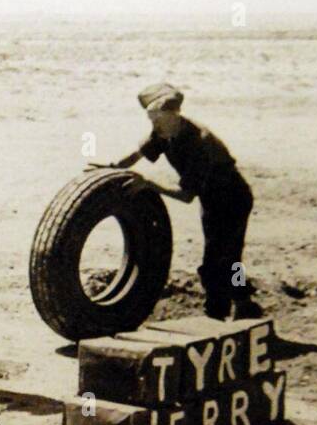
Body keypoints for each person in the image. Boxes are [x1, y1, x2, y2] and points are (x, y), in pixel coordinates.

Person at [101, 83, 264, 320]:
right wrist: (112, 169)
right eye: (151, 120)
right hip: (211, 199)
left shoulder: (200, 142)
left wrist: (149, 184)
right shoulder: (164, 131)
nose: (153, 126)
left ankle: (217, 313)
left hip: (233, 199)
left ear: (174, 115)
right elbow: (137, 155)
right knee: (227, 257)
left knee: (220, 261)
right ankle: (243, 303)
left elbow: (186, 196)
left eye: (158, 120)